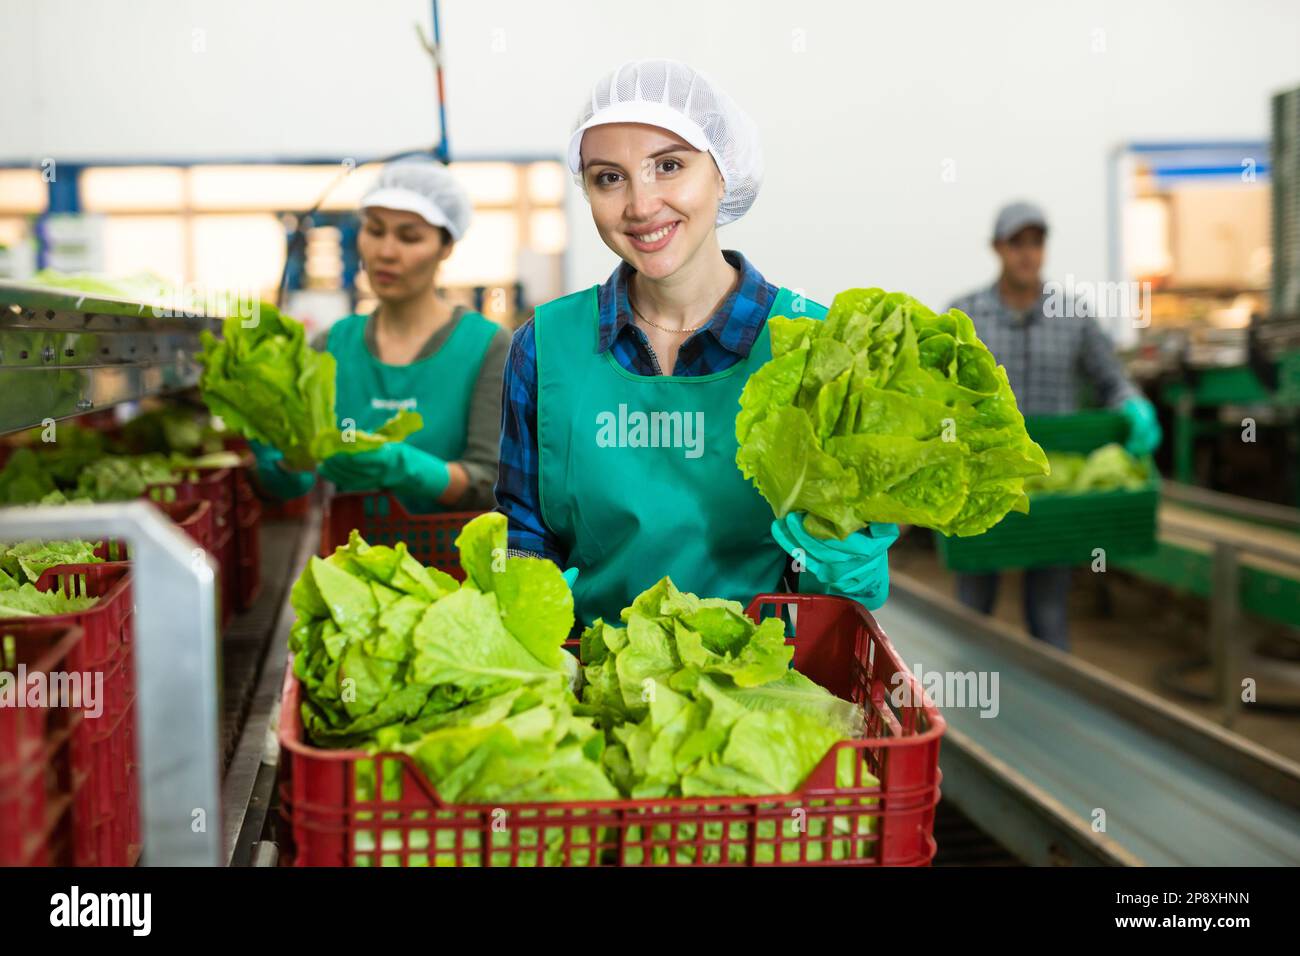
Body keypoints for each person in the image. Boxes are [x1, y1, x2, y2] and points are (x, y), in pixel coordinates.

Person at [495, 59, 899, 628]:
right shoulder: (543, 346)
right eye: (609, 177)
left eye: (668, 165)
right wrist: (525, 585)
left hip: (762, 683)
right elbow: (523, 528)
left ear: (723, 172)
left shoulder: (813, 346)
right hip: (593, 685)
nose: (639, 204)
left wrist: (844, 557)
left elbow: (833, 570)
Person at [946, 201, 1162, 650]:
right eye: (1016, 243)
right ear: (997, 249)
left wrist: (1133, 406)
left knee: (1048, 615)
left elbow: (1110, 380)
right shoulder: (965, 317)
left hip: (1051, 490)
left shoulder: (1074, 316)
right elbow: (940, 391)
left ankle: (1049, 707)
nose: (1027, 253)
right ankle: (964, 710)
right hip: (983, 482)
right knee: (971, 613)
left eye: (1036, 242)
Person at [252, 159, 509, 513]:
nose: (386, 252)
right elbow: (295, 481)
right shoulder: (331, 346)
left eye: (409, 237)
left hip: (452, 563)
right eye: (374, 230)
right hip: (346, 560)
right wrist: (280, 463)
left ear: (446, 247)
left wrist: (405, 467)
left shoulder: (489, 347)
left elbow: (493, 484)